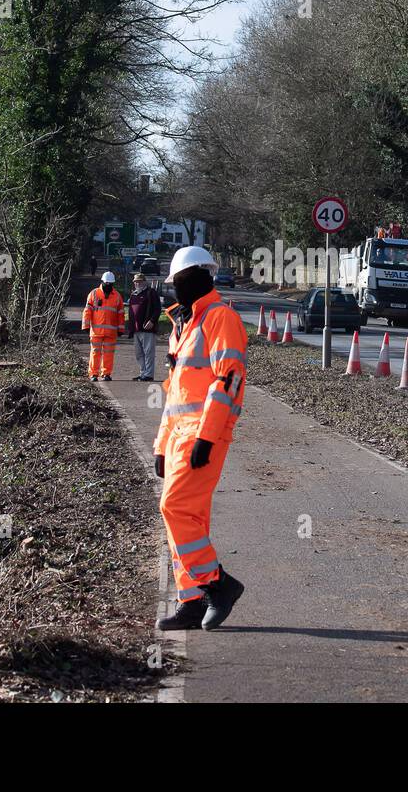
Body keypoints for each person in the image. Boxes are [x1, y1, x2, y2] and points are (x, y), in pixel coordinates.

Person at [153, 245, 247, 631]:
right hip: (179, 437)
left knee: (173, 509)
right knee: (187, 519)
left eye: (179, 282)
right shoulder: (185, 324)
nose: (175, 289)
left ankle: (218, 585)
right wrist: (161, 444)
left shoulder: (219, 318)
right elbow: (174, 392)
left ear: (197, 279)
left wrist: (206, 438)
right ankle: (191, 600)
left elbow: (228, 381)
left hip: (203, 437)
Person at [82, 271, 125, 380]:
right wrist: (86, 326)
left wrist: (121, 328)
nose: (109, 286)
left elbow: (120, 313)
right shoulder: (94, 294)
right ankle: (93, 374)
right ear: (102, 282)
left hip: (110, 332)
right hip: (96, 332)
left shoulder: (117, 296)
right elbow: (87, 311)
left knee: (108, 354)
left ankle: (106, 373)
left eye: (111, 284)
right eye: (107, 283)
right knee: (95, 353)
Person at [126, 272, 162, 381]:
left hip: (147, 329)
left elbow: (157, 309)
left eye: (139, 281)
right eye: (136, 282)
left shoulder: (151, 293)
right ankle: (143, 373)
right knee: (139, 354)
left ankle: (149, 375)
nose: (137, 283)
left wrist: (152, 321)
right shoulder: (133, 294)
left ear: (144, 282)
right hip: (136, 329)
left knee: (148, 353)